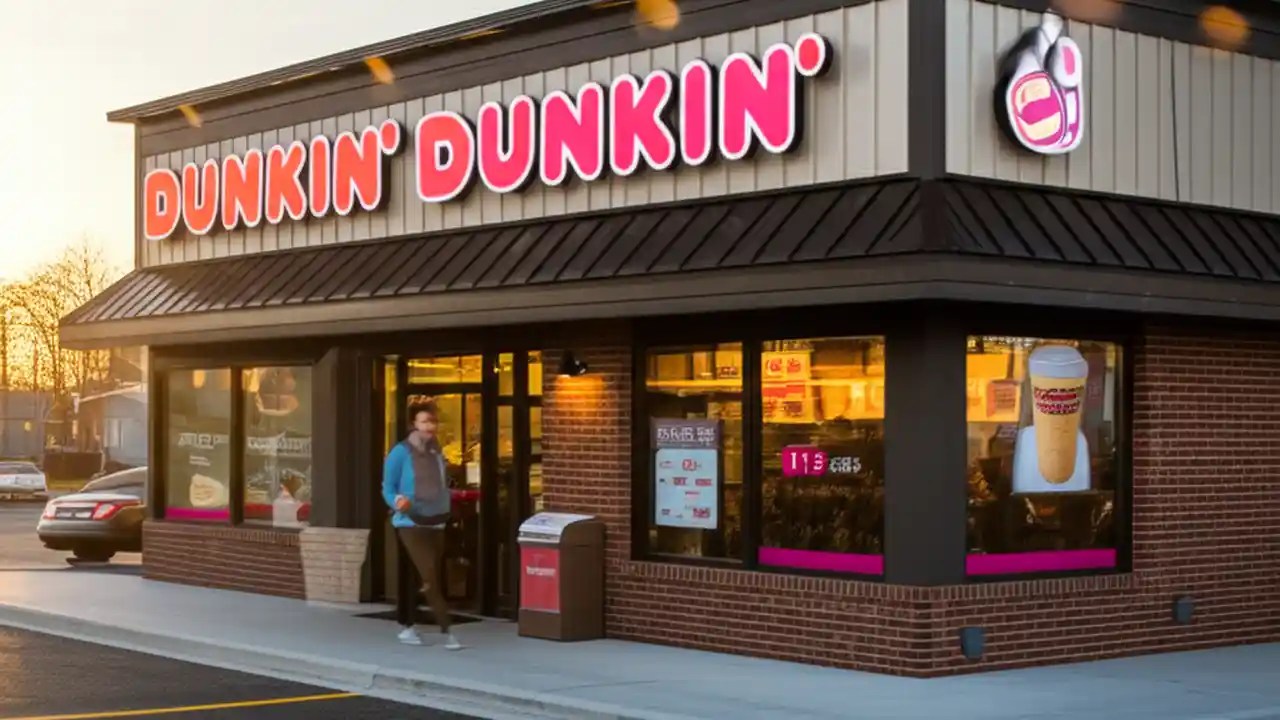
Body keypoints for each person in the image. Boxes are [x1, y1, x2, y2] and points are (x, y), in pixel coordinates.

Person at [382, 401, 462, 650]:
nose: (430, 426)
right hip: (409, 521)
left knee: (420, 574)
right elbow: (387, 487)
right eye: (424, 421)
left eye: (433, 421)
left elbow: (440, 483)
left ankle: (408, 624)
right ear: (413, 424)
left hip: (436, 520)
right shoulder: (400, 452)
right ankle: (444, 629)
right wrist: (397, 501)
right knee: (428, 574)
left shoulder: (437, 451)